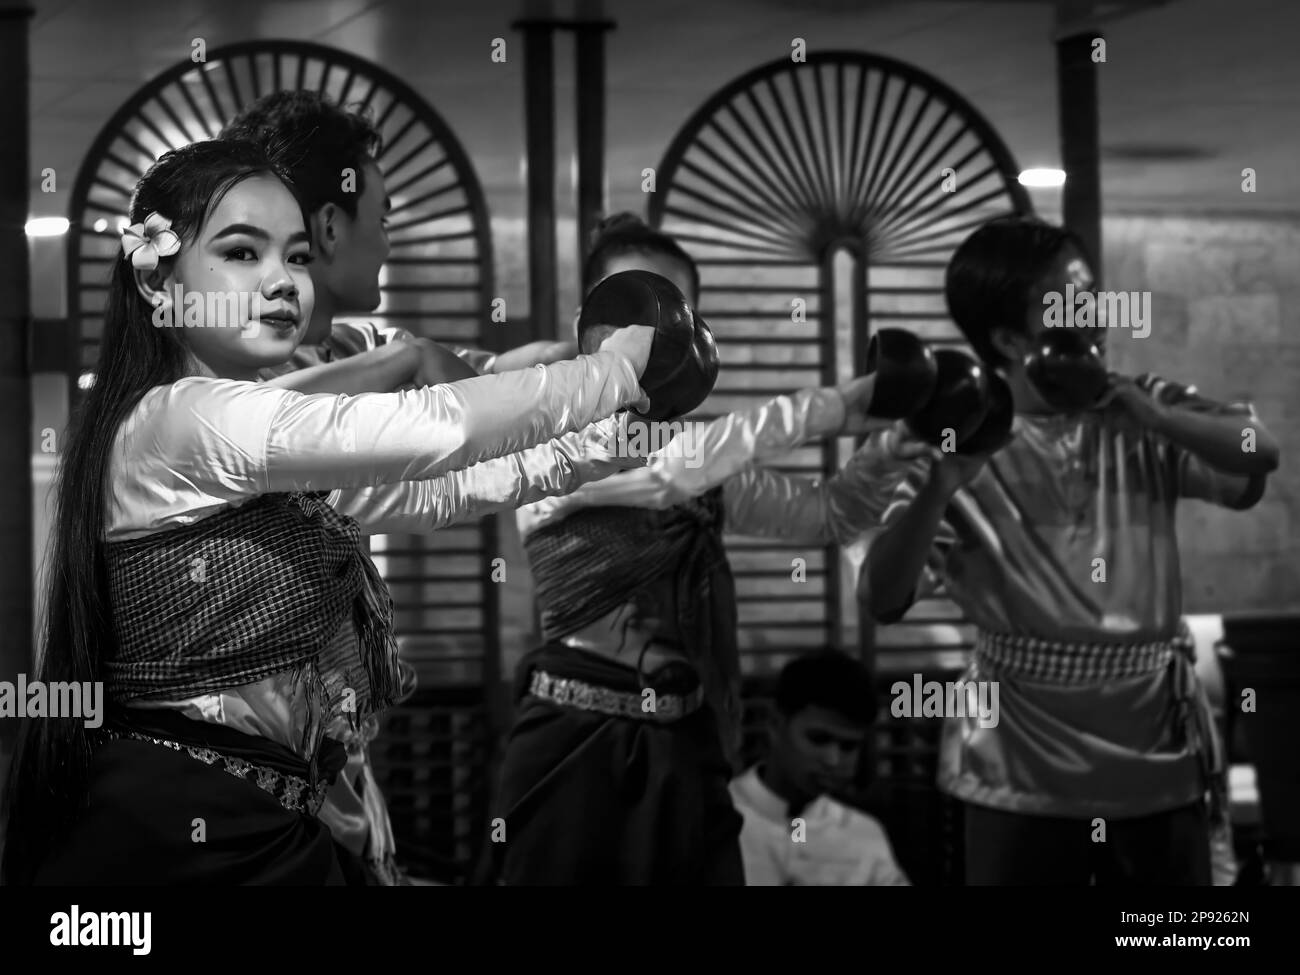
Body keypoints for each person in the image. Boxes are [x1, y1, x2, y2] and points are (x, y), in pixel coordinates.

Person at [0, 139, 657, 885]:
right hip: (187, 826)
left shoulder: (249, 436)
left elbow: (435, 490)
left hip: (254, 813)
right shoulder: (180, 419)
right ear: (158, 280)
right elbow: (435, 429)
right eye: (241, 252)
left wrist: (606, 446)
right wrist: (610, 371)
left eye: (297, 256)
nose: (283, 280)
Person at [482, 214, 923, 885]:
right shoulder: (545, 440)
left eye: (675, 315)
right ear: (588, 326)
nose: (654, 334)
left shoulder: (706, 460)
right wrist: (835, 407)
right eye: (635, 310)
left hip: (687, 742)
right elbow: (669, 471)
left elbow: (831, 514)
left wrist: (892, 447)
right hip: (575, 742)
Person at [220, 90, 577, 883]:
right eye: (381, 216)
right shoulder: (248, 397)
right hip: (256, 788)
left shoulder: (342, 346)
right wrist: (583, 422)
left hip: (329, 770)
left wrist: (567, 365)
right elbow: (429, 473)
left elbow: (468, 370)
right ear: (328, 227)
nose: (388, 238)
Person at [861, 215, 1279, 886]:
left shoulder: (1143, 408)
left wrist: (1159, 418)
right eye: (1071, 305)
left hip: (1153, 734)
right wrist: (939, 486)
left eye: (1094, 297)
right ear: (1008, 339)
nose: (1097, 318)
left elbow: (1259, 455)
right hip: (1020, 747)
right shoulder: (956, 438)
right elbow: (882, 598)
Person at [730, 650, 909, 886]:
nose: (833, 760)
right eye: (818, 739)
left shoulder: (864, 836)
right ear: (775, 725)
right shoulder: (716, 818)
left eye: (848, 747)